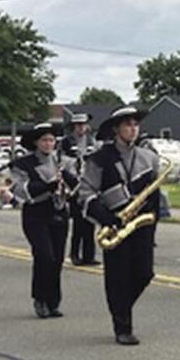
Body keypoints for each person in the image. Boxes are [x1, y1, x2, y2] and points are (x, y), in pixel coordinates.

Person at [77, 106, 164, 345]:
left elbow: (154, 194)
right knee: (117, 277)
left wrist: (152, 219)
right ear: (117, 129)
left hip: (141, 224)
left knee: (145, 273)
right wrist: (106, 218)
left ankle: (121, 308)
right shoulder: (99, 159)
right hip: (114, 223)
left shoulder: (149, 158)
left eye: (136, 124)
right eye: (128, 125)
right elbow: (86, 193)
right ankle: (122, 326)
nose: (133, 129)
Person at [13, 123, 78, 319]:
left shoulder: (64, 161)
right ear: (36, 142)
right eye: (44, 140)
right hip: (36, 214)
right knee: (44, 256)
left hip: (59, 212)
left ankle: (53, 302)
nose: (49, 144)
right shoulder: (22, 163)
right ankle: (40, 299)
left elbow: (77, 188)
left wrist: (69, 179)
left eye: (51, 140)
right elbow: (20, 190)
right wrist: (46, 187)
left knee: (57, 258)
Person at [61, 113, 99, 265]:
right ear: (73, 127)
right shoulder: (66, 142)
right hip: (74, 185)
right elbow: (62, 164)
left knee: (90, 221)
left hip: (89, 184)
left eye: (83, 124)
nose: (81, 127)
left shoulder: (92, 141)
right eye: (78, 125)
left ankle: (89, 256)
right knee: (78, 223)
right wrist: (72, 183)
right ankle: (75, 255)